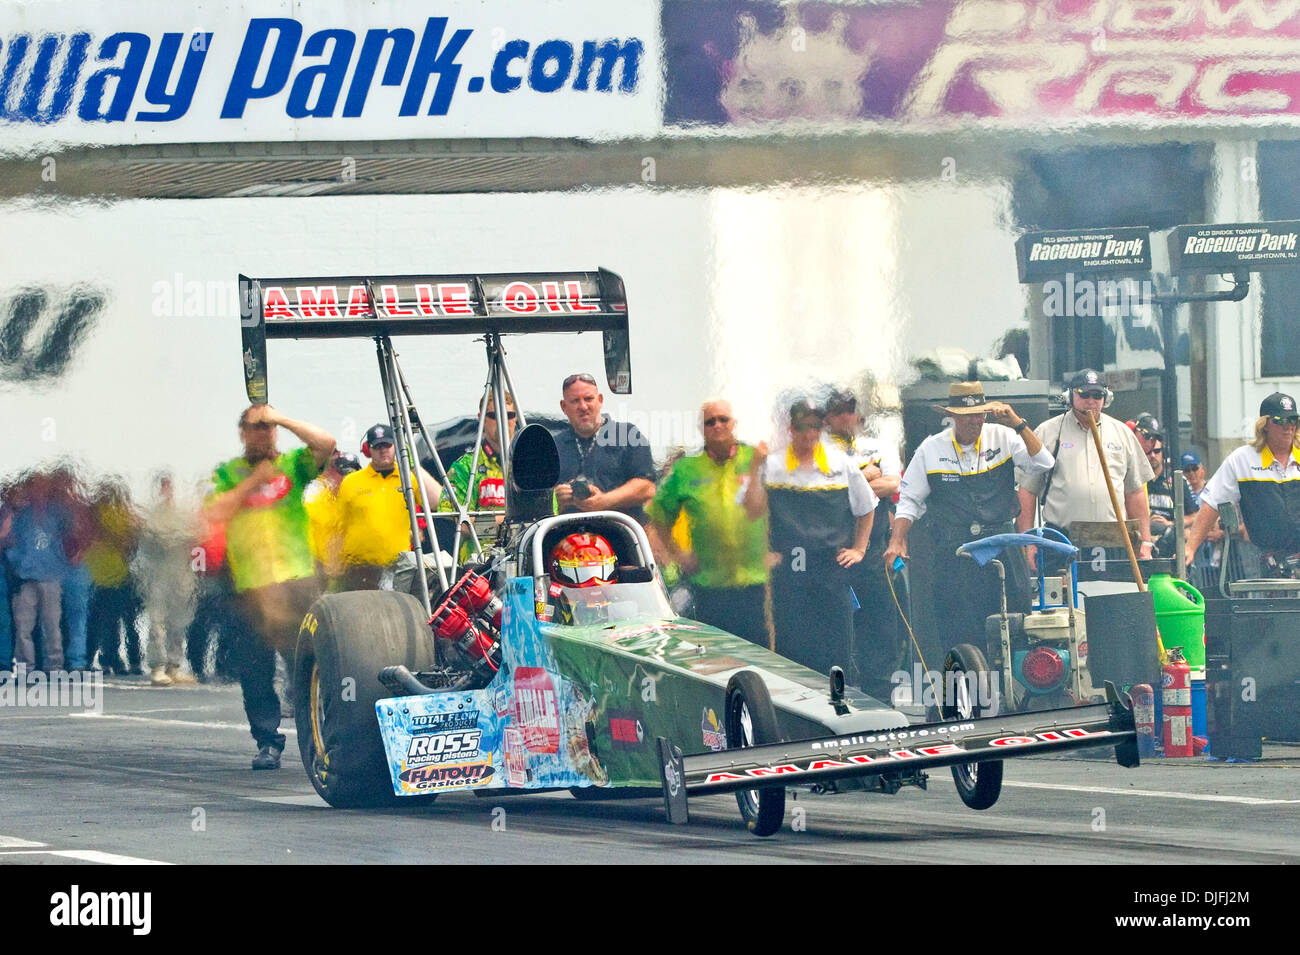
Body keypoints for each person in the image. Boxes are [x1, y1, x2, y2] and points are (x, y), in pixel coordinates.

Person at [883, 381, 1053, 663]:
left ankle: (1016, 694)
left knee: (1015, 618)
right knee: (958, 623)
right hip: (955, 548)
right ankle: (967, 693)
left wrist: (1018, 424)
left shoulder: (1005, 436)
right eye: (969, 415)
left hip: (1002, 542)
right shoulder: (931, 448)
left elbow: (1044, 463)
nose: (977, 421)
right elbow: (909, 499)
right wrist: (897, 540)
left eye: (981, 414)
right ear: (954, 417)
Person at [206, 404, 335, 770]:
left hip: (295, 584)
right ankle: (268, 741)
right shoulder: (228, 473)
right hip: (249, 590)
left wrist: (281, 417)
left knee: (308, 665)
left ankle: (325, 737)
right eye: (255, 427)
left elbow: (326, 443)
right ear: (242, 433)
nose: (262, 433)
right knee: (255, 671)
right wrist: (253, 481)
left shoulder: (293, 463)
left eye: (268, 427)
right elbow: (215, 513)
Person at [744, 399, 875, 675]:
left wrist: (859, 549)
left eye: (816, 427)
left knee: (837, 648)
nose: (810, 434)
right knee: (792, 650)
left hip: (832, 569)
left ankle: (840, 704)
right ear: (792, 429)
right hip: (789, 573)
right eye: (803, 427)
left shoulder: (842, 464)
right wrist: (760, 551)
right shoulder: (774, 465)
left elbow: (867, 508)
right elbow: (751, 512)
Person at [646, 399, 769, 646]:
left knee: (760, 656)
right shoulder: (687, 469)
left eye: (723, 419)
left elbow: (778, 507)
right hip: (709, 585)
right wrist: (678, 554)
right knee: (717, 656)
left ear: (734, 424)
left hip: (755, 582)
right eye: (710, 421)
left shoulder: (756, 459)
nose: (717, 425)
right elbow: (658, 512)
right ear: (702, 429)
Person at [1017, 369, 1155, 567]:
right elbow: (1027, 491)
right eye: (1084, 394)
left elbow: (1135, 492)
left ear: (1106, 398)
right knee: (1066, 597)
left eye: (1097, 395)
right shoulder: (1047, 432)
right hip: (1061, 538)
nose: (1091, 401)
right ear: (1070, 395)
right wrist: (1028, 542)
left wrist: (1146, 542)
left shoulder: (1122, 434)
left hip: (1114, 540)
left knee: (1111, 595)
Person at [823, 389, 905, 695]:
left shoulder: (879, 445)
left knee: (881, 620)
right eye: (838, 411)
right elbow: (824, 490)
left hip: (872, 550)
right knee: (835, 624)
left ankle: (881, 689)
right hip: (832, 548)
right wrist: (864, 475)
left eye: (850, 410)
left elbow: (893, 483)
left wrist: (853, 484)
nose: (845, 416)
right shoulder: (818, 448)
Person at [1185, 393, 1300, 574]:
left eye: (1293, 420)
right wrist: (1190, 547)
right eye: (1281, 421)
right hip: (1265, 564)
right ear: (1265, 425)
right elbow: (1212, 502)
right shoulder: (1243, 459)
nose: (1289, 427)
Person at [336, 424, 438, 591]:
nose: (383, 451)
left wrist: (412, 465)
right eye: (377, 447)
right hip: (359, 569)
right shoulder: (350, 482)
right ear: (368, 450)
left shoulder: (409, 478)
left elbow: (437, 501)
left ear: (395, 447)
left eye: (387, 445)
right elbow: (339, 526)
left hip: (398, 566)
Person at [553, 372, 656, 523]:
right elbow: (533, 500)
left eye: (588, 399)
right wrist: (555, 500)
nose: (583, 406)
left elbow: (647, 487)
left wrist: (604, 501)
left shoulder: (627, 435)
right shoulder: (552, 447)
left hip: (621, 538)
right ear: (564, 406)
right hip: (564, 540)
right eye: (575, 401)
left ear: (600, 400)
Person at [135, 473, 200, 686]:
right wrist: (179, 536)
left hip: (181, 575)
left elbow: (200, 534)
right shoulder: (152, 514)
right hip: (158, 576)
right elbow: (153, 537)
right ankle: (157, 667)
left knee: (178, 622)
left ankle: (174, 666)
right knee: (157, 621)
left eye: (170, 486)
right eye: (163, 486)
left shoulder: (183, 513)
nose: (167, 491)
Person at [439, 391, 518, 561]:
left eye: (509, 415)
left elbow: (547, 516)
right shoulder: (464, 467)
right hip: (478, 565)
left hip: (523, 560)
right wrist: (511, 519)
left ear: (516, 418)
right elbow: (463, 525)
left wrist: (489, 522)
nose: (503, 422)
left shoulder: (531, 466)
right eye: (494, 416)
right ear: (481, 419)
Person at [6, 472, 72, 675]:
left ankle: (55, 668)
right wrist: (18, 563)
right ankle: (26, 669)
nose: (37, 491)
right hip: (26, 578)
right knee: (23, 627)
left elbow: (70, 539)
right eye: (33, 486)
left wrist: (61, 565)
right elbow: (11, 542)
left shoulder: (59, 513)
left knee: (52, 626)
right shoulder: (21, 515)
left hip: (51, 578)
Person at [303, 450, 360, 589]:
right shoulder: (315, 501)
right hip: (321, 573)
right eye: (345, 473)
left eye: (355, 474)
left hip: (356, 571)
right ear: (333, 474)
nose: (349, 478)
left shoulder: (364, 501)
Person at [1144, 437, 1198, 559]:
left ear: (1163, 453)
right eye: (1148, 452)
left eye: (1157, 451)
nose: (1152, 455)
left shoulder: (1177, 481)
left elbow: (1195, 516)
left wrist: (1171, 524)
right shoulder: (1136, 481)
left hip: (1171, 544)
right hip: (1145, 544)